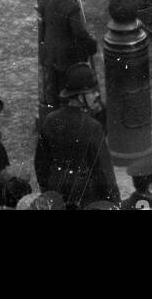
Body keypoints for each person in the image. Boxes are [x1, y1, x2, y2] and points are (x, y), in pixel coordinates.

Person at [33, 63, 120, 210]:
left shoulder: (50, 120)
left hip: (56, 189)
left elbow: (40, 163)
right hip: (87, 195)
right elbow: (104, 172)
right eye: (92, 92)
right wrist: (115, 202)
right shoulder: (92, 127)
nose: (97, 95)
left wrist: (48, 191)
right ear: (80, 97)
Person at [36, 0, 99, 118]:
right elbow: (79, 32)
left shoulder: (49, 0)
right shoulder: (73, 5)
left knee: (55, 86)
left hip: (51, 54)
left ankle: (55, 113)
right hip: (67, 57)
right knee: (68, 87)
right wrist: (92, 44)